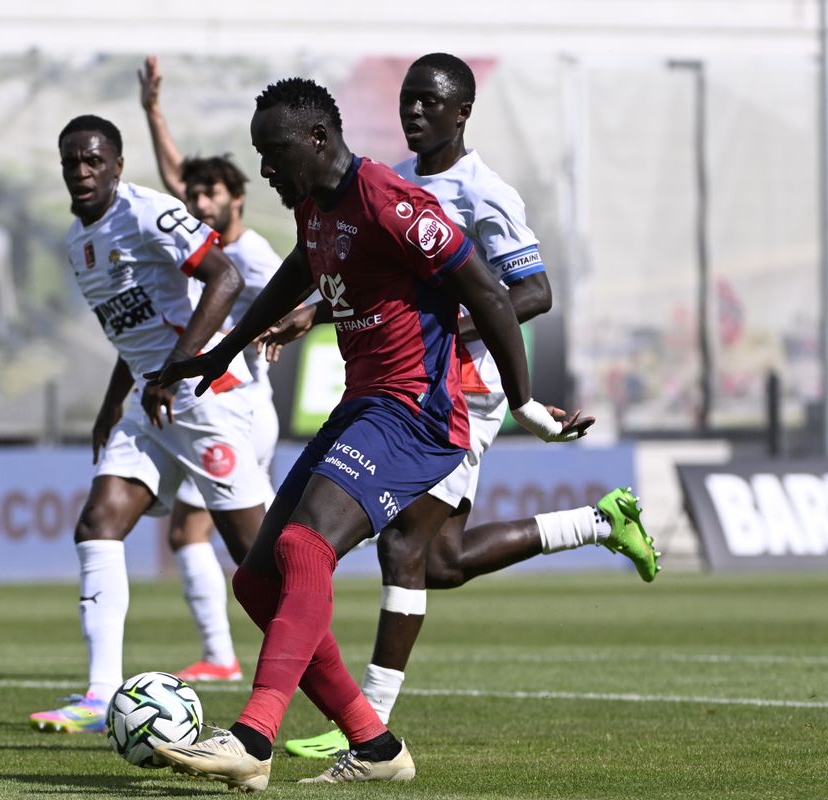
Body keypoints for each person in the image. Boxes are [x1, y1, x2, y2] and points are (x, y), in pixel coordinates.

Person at [146, 78, 591, 790]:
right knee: (258, 583)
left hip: (416, 411)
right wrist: (226, 349)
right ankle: (376, 747)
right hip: (366, 404)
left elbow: (492, 294)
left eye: (274, 152)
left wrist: (524, 403)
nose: (264, 170)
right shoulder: (319, 207)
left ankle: (254, 736)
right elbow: (301, 269)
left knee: (304, 544)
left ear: (317, 140)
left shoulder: (391, 200)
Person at [271, 53, 661, 759]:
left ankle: (361, 725)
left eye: (430, 101)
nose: (414, 112)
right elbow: (384, 289)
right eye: (407, 100)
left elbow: (532, 292)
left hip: (460, 386)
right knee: (439, 558)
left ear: (462, 112)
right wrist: (311, 314)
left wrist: (459, 332)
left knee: (401, 549)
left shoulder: (486, 192)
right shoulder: (390, 183)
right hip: (413, 378)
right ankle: (597, 522)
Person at [28, 115, 271, 734]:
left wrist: (172, 370)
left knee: (259, 558)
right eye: (71, 162)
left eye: (93, 161)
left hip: (204, 394)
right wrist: (116, 401)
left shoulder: (148, 213)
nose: (81, 172)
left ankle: (340, 702)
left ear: (116, 164)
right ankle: (100, 696)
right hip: (152, 396)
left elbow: (226, 277)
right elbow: (131, 329)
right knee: (98, 522)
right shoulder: (77, 241)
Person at [139, 55, 283, 682]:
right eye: (192, 194)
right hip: (224, 401)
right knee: (205, 537)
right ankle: (235, 652)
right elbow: (175, 175)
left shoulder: (248, 255)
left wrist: (283, 326)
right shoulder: (204, 242)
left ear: (237, 198)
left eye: (209, 194)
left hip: (238, 403)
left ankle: (239, 655)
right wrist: (152, 111)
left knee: (215, 541)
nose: (196, 201)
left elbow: (301, 300)